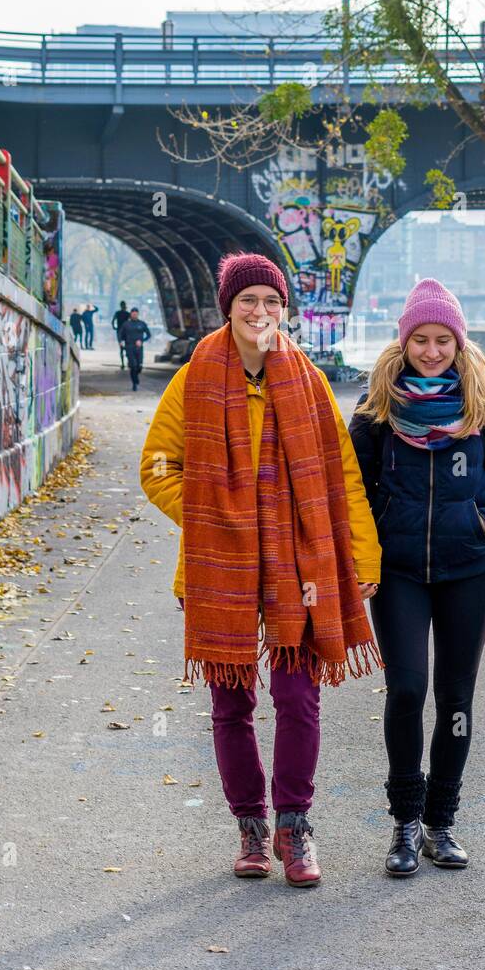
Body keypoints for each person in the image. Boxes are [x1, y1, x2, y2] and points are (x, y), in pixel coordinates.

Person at [139, 251, 382, 887]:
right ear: (229, 307)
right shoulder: (195, 378)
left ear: (284, 311)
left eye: (271, 302)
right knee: (231, 697)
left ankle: (294, 825)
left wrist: (362, 556)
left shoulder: (308, 382)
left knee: (299, 696)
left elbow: (341, 477)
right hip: (220, 564)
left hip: (298, 559)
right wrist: (217, 520)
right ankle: (249, 827)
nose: (260, 312)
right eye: (249, 301)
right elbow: (159, 467)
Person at [348, 278, 485, 877]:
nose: (431, 352)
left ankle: (441, 825)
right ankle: (404, 826)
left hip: (469, 570)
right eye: (420, 340)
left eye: (443, 341)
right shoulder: (377, 406)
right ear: (403, 342)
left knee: (456, 698)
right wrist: (366, 543)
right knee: (407, 689)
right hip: (400, 570)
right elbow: (348, 485)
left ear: (459, 343)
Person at [118, 308, 151, 390]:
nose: (134, 315)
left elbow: (148, 335)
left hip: (139, 348)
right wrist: (120, 341)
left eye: (136, 314)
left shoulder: (142, 324)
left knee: (139, 366)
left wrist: (142, 340)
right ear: (131, 314)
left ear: (138, 314)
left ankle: (136, 377)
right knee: (133, 366)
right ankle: (134, 383)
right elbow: (120, 334)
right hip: (129, 347)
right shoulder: (126, 324)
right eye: (133, 314)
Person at [112, 300, 131, 369]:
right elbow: (131, 322)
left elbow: (113, 321)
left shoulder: (117, 313)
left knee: (121, 348)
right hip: (126, 332)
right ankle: (128, 362)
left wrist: (114, 327)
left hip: (119, 332)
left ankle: (123, 363)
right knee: (128, 347)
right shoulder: (127, 313)